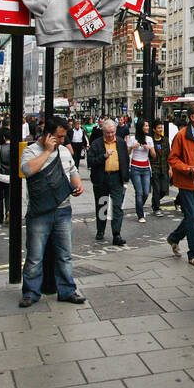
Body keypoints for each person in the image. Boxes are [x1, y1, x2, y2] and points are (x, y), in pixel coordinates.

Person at [19, 118, 85, 307]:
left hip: (63, 209)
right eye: (58, 137)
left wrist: (78, 183)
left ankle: (67, 290)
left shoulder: (64, 151)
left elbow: (72, 170)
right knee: (35, 255)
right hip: (40, 211)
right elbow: (27, 170)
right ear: (47, 135)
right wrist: (48, 151)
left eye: (64, 137)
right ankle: (31, 292)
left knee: (65, 254)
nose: (62, 141)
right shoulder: (31, 151)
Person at [167, 103, 194, 266]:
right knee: (192, 217)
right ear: (192, 117)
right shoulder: (181, 135)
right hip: (186, 182)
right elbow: (172, 159)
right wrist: (187, 168)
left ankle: (174, 237)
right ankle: (193, 253)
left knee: (193, 216)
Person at [88, 119, 129, 246]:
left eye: (112, 132)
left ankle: (116, 234)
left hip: (116, 177)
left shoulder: (121, 143)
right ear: (103, 132)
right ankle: (100, 230)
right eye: (107, 133)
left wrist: (126, 177)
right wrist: (104, 156)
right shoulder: (96, 144)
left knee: (117, 206)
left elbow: (125, 160)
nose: (110, 135)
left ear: (115, 131)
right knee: (102, 205)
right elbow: (91, 161)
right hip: (101, 178)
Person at [127, 119, 155, 223]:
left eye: (148, 125)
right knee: (139, 192)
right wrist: (132, 147)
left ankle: (139, 207)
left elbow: (154, 155)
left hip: (146, 168)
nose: (147, 127)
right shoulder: (133, 139)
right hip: (135, 167)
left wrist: (150, 148)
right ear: (141, 127)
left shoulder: (149, 139)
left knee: (146, 193)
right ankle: (140, 214)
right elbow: (127, 152)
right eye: (146, 126)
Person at [149, 120, 171, 216]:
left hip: (164, 167)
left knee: (164, 190)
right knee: (157, 189)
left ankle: (154, 201)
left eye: (161, 128)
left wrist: (170, 168)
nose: (160, 129)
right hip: (154, 167)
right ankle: (156, 208)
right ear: (154, 129)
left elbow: (169, 155)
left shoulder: (165, 140)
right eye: (158, 128)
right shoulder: (150, 141)